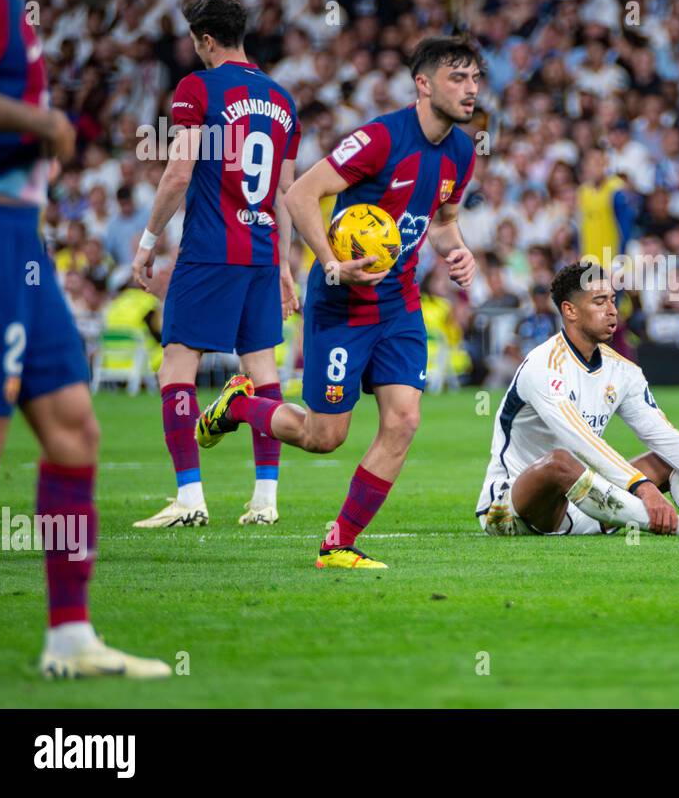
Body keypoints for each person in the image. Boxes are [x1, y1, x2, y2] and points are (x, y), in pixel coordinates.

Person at [195, 35, 481, 569]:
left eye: (474, 79)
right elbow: (299, 194)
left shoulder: (462, 152)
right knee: (324, 436)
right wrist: (329, 262)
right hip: (341, 305)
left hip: (399, 304)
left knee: (404, 420)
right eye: (457, 78)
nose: (471, 90)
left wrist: (458, 251)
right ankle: (239, 405)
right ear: (423, 84)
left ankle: (339, 543)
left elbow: (443, 221)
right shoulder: (379, 138)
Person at [0, 0, 167, 678]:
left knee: (73, 431)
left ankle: (69, 639)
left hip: (22, 245)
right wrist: (44, 121)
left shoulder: (10, 9)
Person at [132, 0, 300, 528]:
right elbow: (286, 191)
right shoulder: (282, 97)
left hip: (210, 249)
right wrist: (285, 268)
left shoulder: (197, 87)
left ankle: (190, 498)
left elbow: (179, 171)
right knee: (263, 371)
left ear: (205, 40)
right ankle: (265, 500)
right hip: (260, 250)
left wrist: (148, 238)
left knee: (176, 366)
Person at [475, 262, 679, 537]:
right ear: (570, 310)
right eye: (599, 301)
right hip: (512, 510)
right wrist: (643, 487)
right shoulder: (543, 366)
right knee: (560, 461)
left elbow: (664, 435)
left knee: (668, 458)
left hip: (587, 504)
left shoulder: (623, 370)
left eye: (613, 300)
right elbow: (582, 442)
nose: (612, 310)